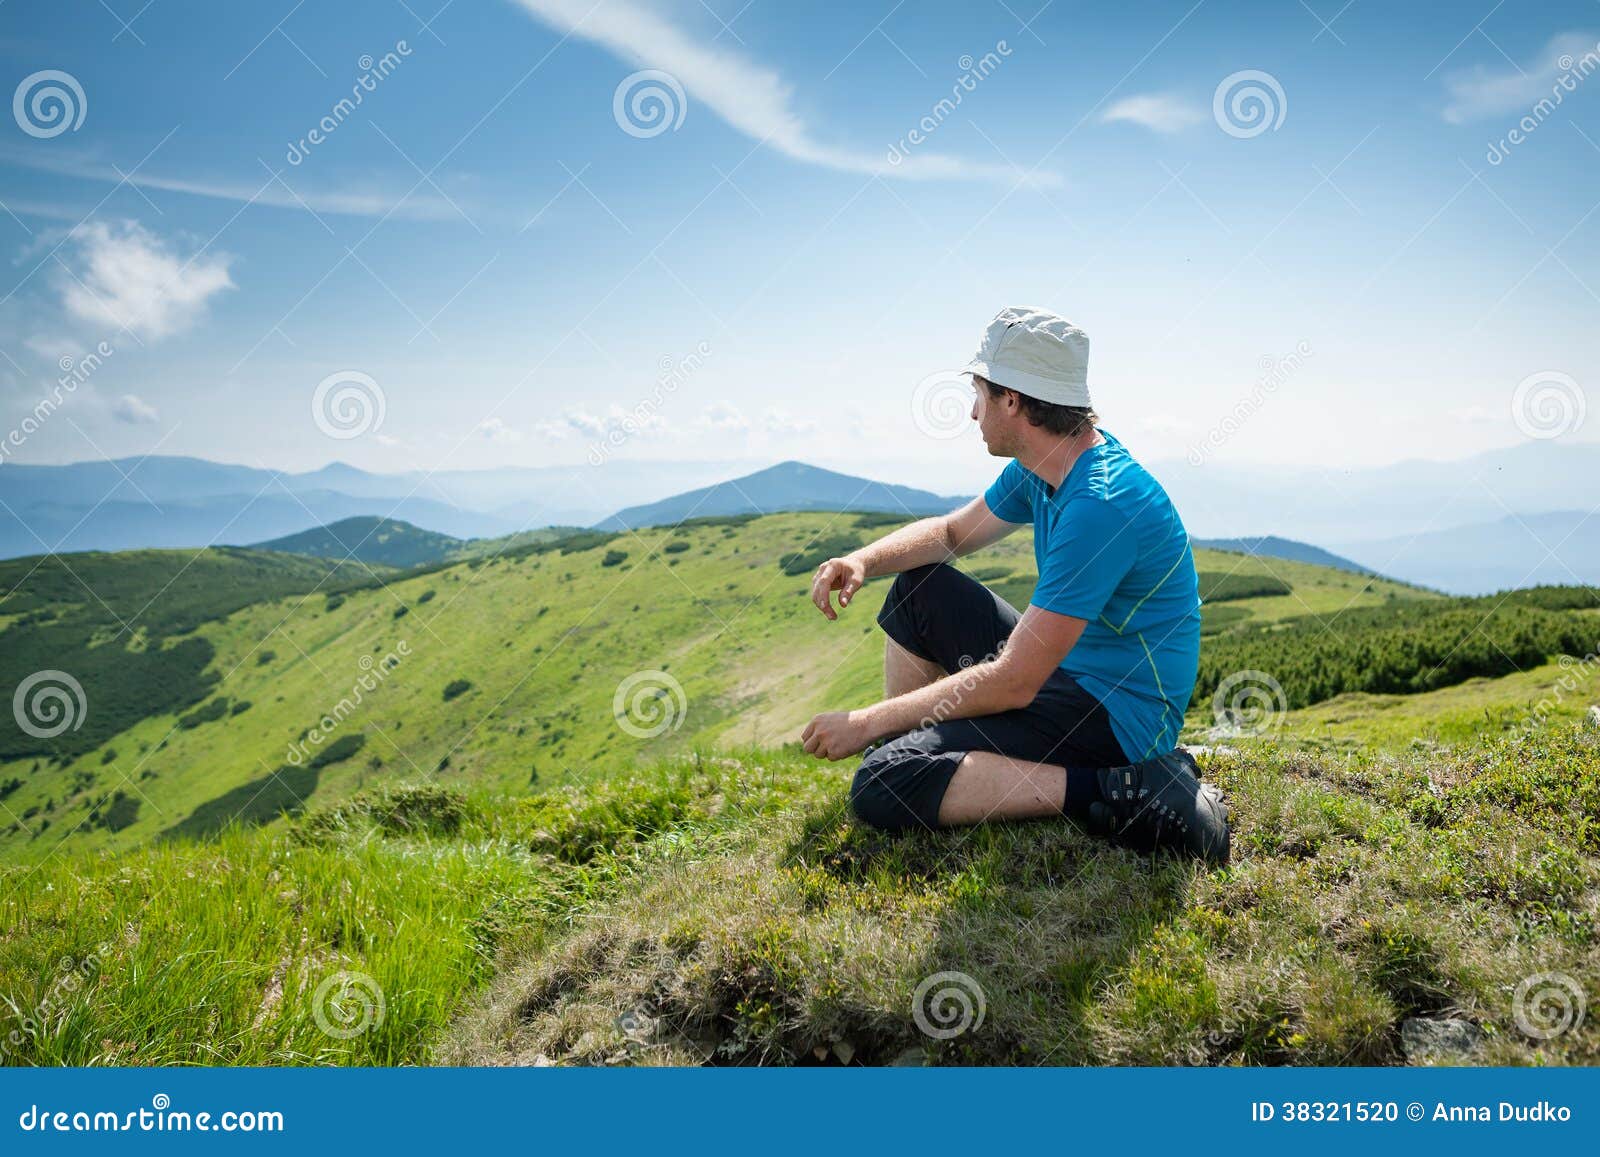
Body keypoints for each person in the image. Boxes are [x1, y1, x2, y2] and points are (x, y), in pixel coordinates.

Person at [800, 306, 1230, 863]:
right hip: (1067, 675)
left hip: (1118, 716)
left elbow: (1015, 683)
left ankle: (1128, 789)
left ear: (1014, 400)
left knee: (882, 783)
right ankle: (924, 761)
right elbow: (952, 533)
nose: (973, 410)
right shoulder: (1047, 462)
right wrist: (861, 560)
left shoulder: (1101, 504)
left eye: (979, 392)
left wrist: (864, 724)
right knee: (917, 590)